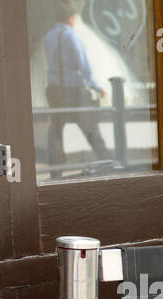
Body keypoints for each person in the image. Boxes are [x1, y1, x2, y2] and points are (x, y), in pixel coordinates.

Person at [43, 0, 111, 173]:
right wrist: (97, 87)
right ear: (71, 19)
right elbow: (84, 66)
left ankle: (55, 170)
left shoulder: (48, 38)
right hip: (75, 93)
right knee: (91, 129)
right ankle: (108, 164)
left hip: (55, 90)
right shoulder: (72, 37)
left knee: (56, 133)